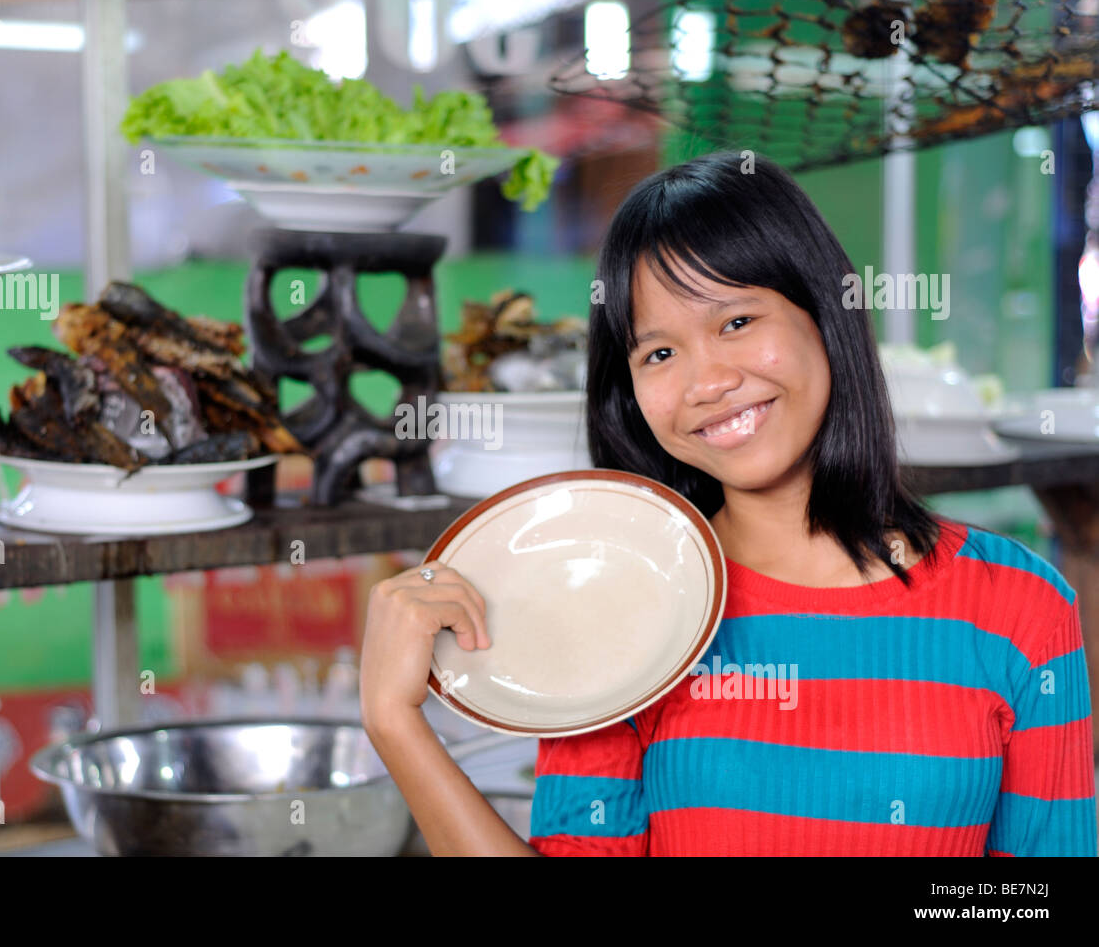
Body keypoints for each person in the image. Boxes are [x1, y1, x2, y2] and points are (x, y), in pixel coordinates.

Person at [358, 150, 1097, 856]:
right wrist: (395, 723)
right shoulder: (621, 609)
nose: (705, 381)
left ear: (824, 315)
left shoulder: (1021, 605)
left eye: (736, 321)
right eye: (659, 353)